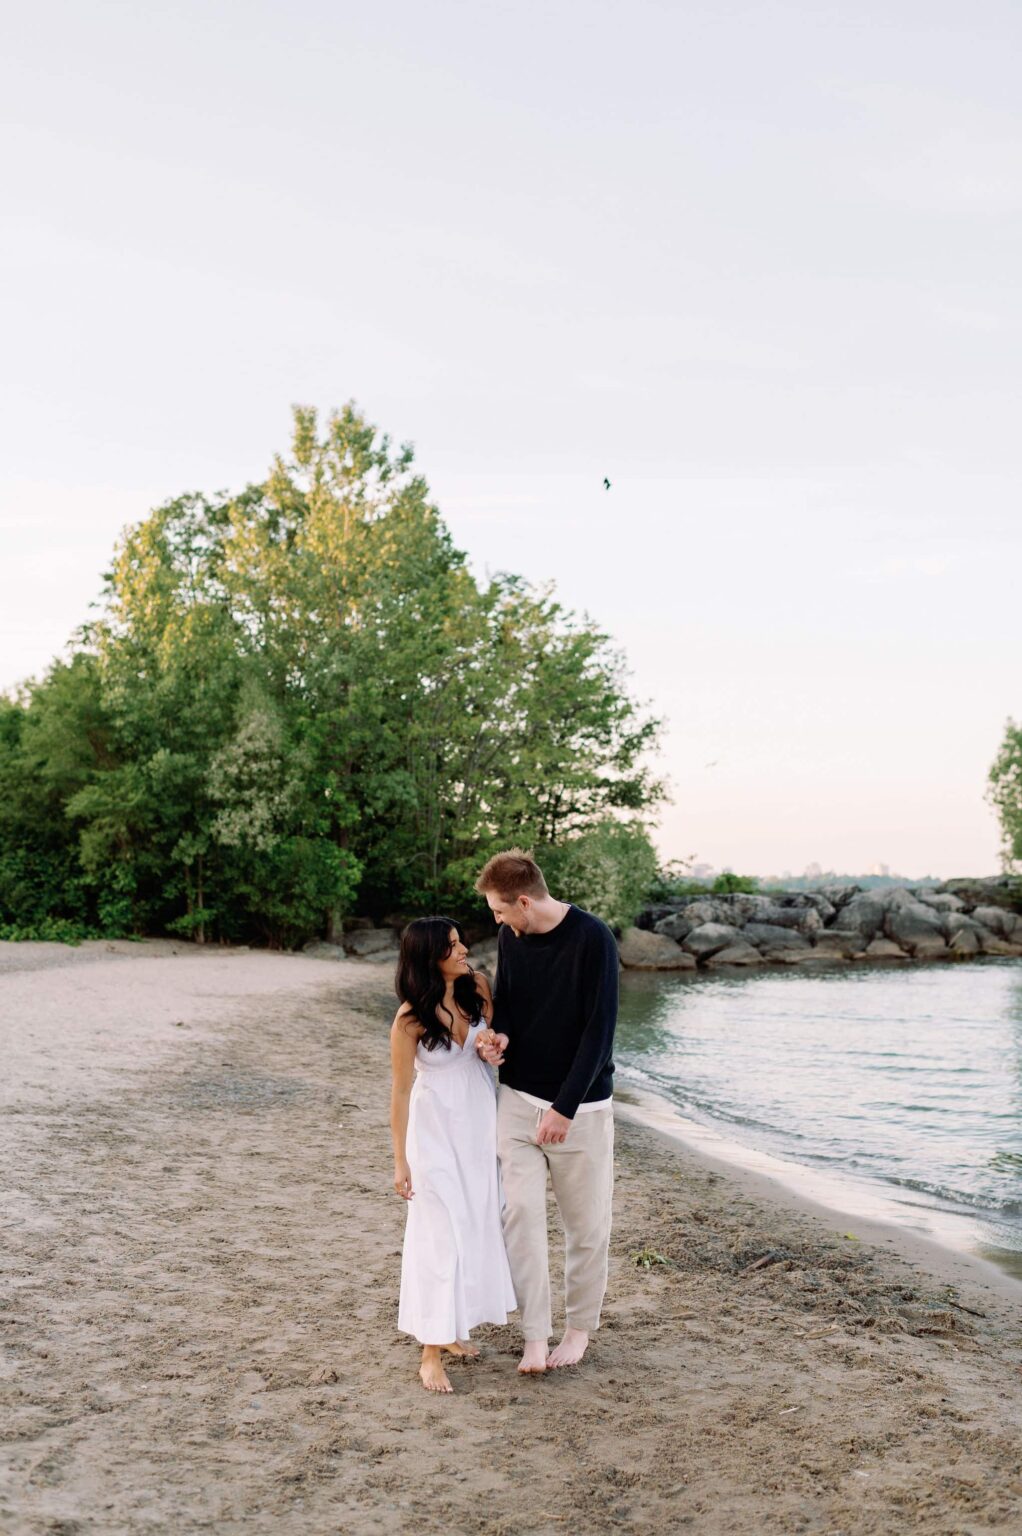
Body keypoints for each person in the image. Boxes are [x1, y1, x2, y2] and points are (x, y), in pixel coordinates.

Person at [474, 849, 618, 1374]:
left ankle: (578, 1330)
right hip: (515, 1102)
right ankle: (535, 1335)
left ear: (525, 901)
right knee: (522, 1219)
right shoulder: (511, 938)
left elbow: (599, 1033)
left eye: (499, 910)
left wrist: (564, 1108)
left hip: (580, 1110)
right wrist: (498, 1039)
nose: (497, 921)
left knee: (586, 1227)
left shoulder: (593, 938)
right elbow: (509, 1004)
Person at [390, 916, 517, 1393]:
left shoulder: (476, 988)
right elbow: (400, 1093)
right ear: (429, 957)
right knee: (439, 1232)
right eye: (453, 945)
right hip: (435, 1130)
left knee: (477, 1223)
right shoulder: (409, 1019)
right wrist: (401, 1160)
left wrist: (490, 1046)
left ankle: (455, 1330)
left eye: (461, 941)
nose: (464, 949)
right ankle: (430, 1350)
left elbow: (496, 1041)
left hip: (480, 1124)